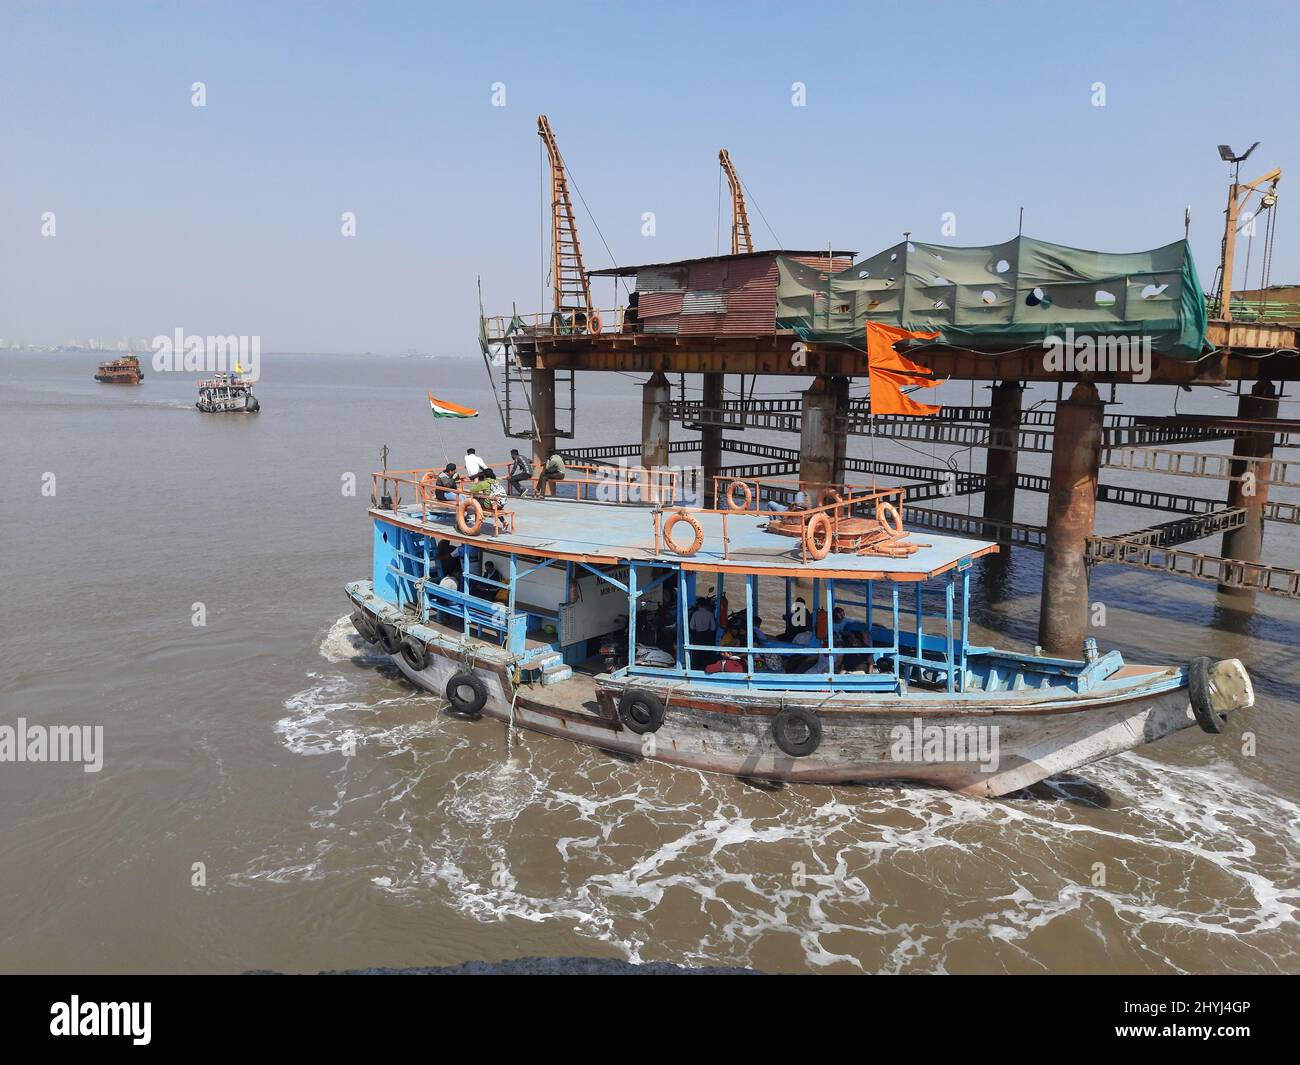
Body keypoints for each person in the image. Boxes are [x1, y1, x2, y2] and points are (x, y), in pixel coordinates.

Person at [688, 596, 718, 667]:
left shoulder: (695, 613)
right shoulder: (710, 614)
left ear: (698, 604)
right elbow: (713, 628)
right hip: (707, 636)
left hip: (697, 635)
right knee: (706, 652)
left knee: (696, 652)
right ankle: (705, 666)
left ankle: (695, 667)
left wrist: (696, 630)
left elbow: (691, 626)